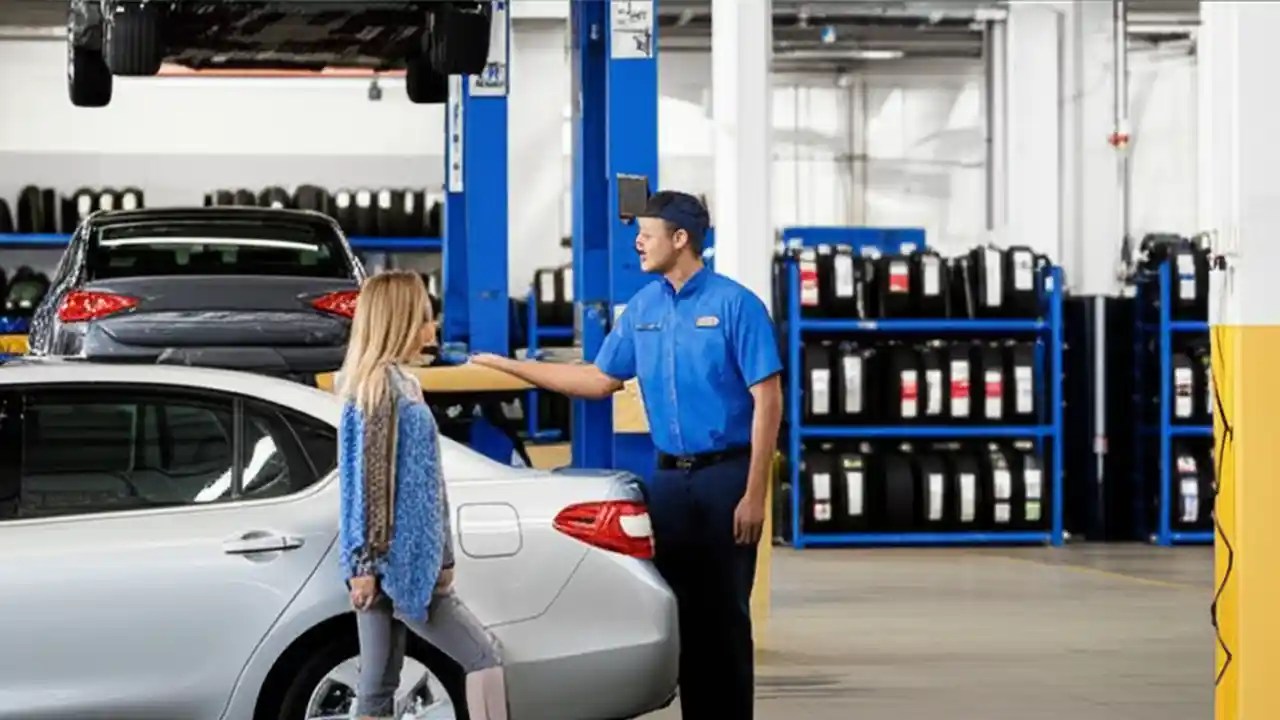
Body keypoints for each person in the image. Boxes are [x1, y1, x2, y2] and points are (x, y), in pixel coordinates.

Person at [472, 191, 783, 719]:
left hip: (726, 479)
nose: (637, 241)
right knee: (677, 614)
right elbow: (598, 378)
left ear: (680, 239)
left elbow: (767, 399)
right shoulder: (644, 307)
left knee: (725, 618)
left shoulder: (735, 305)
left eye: (648, 232)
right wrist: (511, 367)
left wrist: (755, 493)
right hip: (668, 481)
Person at [336, 270, 508, 720]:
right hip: (402, 563)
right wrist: (367, 565)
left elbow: (427, 487)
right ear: (400, 321)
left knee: (378, 683)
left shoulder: (391, 386)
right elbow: (371, 485)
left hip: (397, 560)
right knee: (484, 657)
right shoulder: (383, 392)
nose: (433, 329)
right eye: (425, 318)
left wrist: (440, 557)